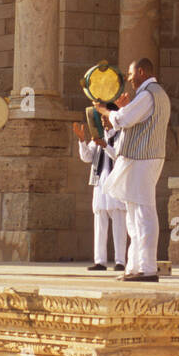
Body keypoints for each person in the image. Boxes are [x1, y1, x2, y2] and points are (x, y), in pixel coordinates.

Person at [98, 58, 170, 283]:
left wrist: (105, 109)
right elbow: (131, 119)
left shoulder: (149, 94)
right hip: (141, 158)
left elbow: (124, 119)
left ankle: (147, 268)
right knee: (133, 214)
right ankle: (135, 266)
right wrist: (121, 110)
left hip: (143, 158)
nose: (129, 78)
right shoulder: (150, 95)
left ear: (140, 71)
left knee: (143, 212)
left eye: (130, 74)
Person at [73, 106, 127, 272]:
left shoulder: (121, 135)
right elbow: (87, 157)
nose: (104, 121)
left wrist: (104, 145)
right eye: (102, 118)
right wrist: (82, 140)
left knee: (119, 223)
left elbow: (120, 157)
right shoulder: (98, 136)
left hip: (115, 184)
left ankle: (120, 261)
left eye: (106, 117)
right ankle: (100, 261)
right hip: (99, 184)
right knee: (100, 222)